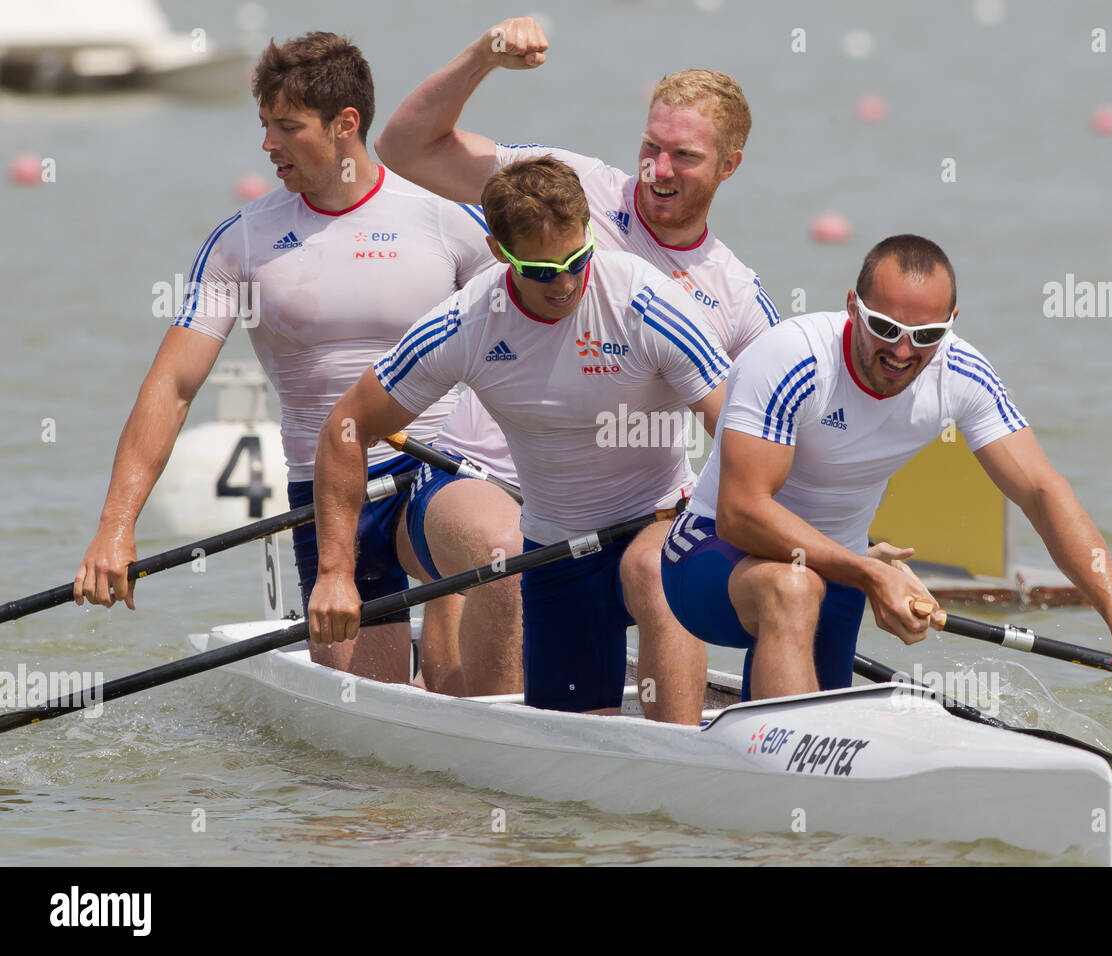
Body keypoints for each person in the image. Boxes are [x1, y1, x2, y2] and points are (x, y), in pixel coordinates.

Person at [372, 16, 779, 716]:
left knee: (664, 569)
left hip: (637, 512)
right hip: (483, 481)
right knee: (501, 552)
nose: (656, 171)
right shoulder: (568, 190)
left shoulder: (735, 292)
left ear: (730, 165)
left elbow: (773, 433)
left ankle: (677, 759)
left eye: (683, 156)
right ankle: (499, 749)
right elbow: (405, 148)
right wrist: (483, 57)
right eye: (650, 147)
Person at [72, 32, 494, 686]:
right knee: (369, 722)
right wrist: (115, 529)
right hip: (327, 501)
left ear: (345, 124)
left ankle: (484, 675)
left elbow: (529, 342)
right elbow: (175, 384)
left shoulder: (446, 221)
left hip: (438, 472)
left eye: (286, 126)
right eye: (264, 124)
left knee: (492, 569)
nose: (267, 144)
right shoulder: (243, 242)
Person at [662, 234, 1112, 704]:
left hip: (839, 572)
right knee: (793, 586)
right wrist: (870, 571)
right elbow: (742, 513)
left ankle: (800, 802)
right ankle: (781, 797)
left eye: (926, 336)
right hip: (708, 559)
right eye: (885, 327)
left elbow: (1043, 493)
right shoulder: (791, 359)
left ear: (951, 324)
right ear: (853, 306)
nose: (903, 351)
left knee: (811, 619)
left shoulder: (961, 373)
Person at [307, 157, 730, 720]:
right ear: (500, 251)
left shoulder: (643, 302)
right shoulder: (470, 321)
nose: (564, 283)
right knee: (569, 744)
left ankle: (683, 759)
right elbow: (347, 428)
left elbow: (738, 425)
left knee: (653, 571)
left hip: (656, 524)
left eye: (577, 261)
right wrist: (335, 574)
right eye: (540, 270)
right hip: (556, 549)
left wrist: (713, 504)